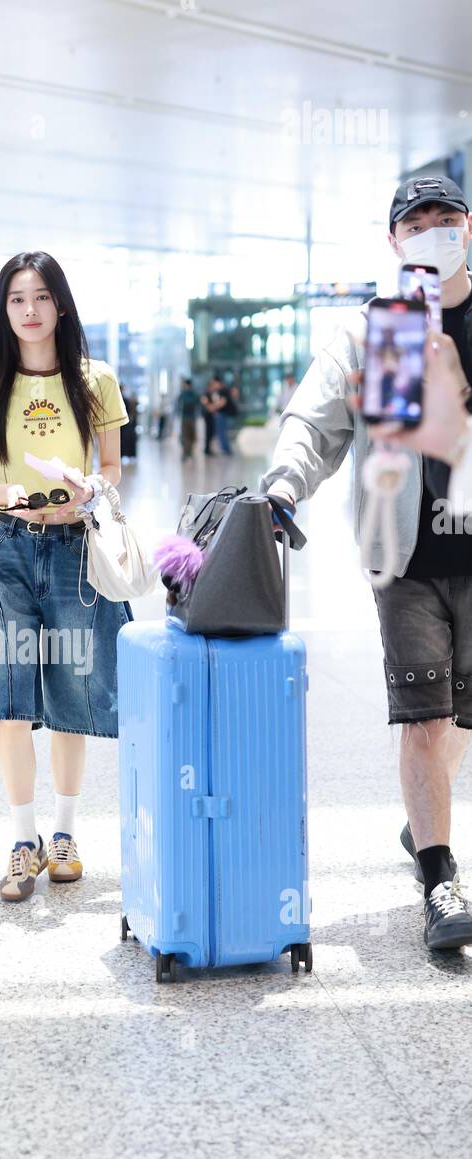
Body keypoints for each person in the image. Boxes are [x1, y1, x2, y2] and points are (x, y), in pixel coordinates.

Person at [261, 173, 472, 951]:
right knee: (426, 718)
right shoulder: (377, 331)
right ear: (395, 241)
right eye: (416, 222)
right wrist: (285, 481)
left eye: (445, 217)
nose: (432, 230)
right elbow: (314, 422)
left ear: (469, 226)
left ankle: (422, 818)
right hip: (405, 556)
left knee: (460, 719)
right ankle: (440, 881)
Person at [0, 250, 131, 903]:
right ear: (5, 310)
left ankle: (64, 833)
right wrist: (8, 496)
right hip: (9, 549)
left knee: (71, 695)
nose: (28, 311)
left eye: (39, 297)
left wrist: (88, 488)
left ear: (60, 303)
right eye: (15, 300)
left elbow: (112, 465)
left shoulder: (94, 379)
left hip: (74, 554)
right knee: (12, 698)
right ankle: (21, 839)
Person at [176, 377, 199, 461]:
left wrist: (178, 414)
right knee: (191, 435)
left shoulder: (183, 394)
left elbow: (178, 405)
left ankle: (186, 453)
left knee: (185, 436)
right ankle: (189, 452)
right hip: (192, 417)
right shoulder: (194, 394)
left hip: (185, 417)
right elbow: (198, 404)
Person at [119, 385, 138, 462]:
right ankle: (125, 455)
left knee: (126, 439)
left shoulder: (125, 400)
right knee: (124, 439)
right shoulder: (123, 400)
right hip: (124, 424)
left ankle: (127, 455)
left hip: (126, 424)